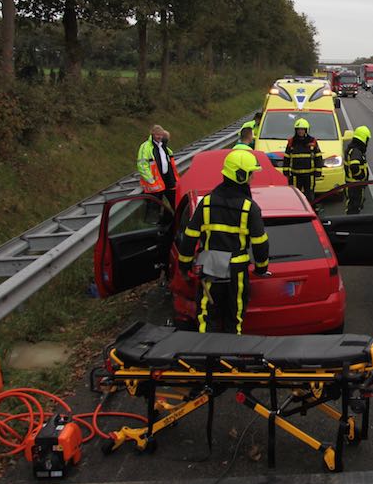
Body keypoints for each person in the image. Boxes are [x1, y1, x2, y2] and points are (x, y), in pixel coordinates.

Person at [176, 150, 271, 334]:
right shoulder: (249, 207)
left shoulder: (207, 203)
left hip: (210, 270)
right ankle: (230, 358)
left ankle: (207, 358)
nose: (252, 178)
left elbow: (189, 237)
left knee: (206, 316)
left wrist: (184, 265)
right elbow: (260, 244)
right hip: (237, 272)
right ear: (241, 175)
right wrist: (261, 268)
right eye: (251, 174)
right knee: (234, 318)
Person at [137, 124, 179, 226]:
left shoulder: (163, 147)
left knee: (176, 201)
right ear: (152, 134)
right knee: (154, 206)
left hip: (167, 180)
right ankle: (153, 226)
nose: (159, 137)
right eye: (157, 135)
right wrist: (150, 180)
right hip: (155, 182)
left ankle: (177, 221)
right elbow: (142, 165)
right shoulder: (146, 147)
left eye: (161, 135)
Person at [283, 118, 323, 201]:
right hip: (295, 176)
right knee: (295, 196)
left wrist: (318, 171)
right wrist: (286, 172)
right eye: (298, 129)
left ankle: (311, 210)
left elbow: (318, 157)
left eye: (302, 129)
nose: (300, 131)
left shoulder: (312, 141)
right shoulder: (291, 142)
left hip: (309, 175)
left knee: (310, 195)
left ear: (306, 130)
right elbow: (287, 158)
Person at [343, 125, 371, 214]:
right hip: (355, 186)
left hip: (352, 185)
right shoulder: (356, 151)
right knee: (353, 208)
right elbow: (354, 166)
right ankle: (351, 225)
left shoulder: (353, 149)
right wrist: (361, 176)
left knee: (353, 206)